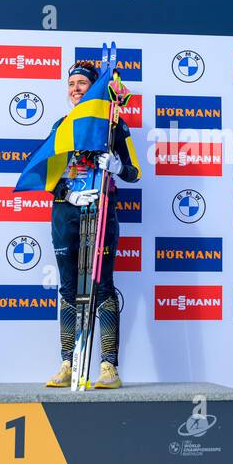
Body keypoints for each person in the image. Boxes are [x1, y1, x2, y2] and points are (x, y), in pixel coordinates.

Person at [44, 62, 140, 390]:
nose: (75, 88)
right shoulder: (62, 125)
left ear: (95, 87)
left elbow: (134, 171)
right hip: (65, 211)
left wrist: (115, 165)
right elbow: (46, 173)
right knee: (68, 286)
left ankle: (108, 367)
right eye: (70, 83)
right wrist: (67, 194)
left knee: (102, 286)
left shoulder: (113, 124)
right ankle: (68, 362)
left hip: (101, 209)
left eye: (82, 82)